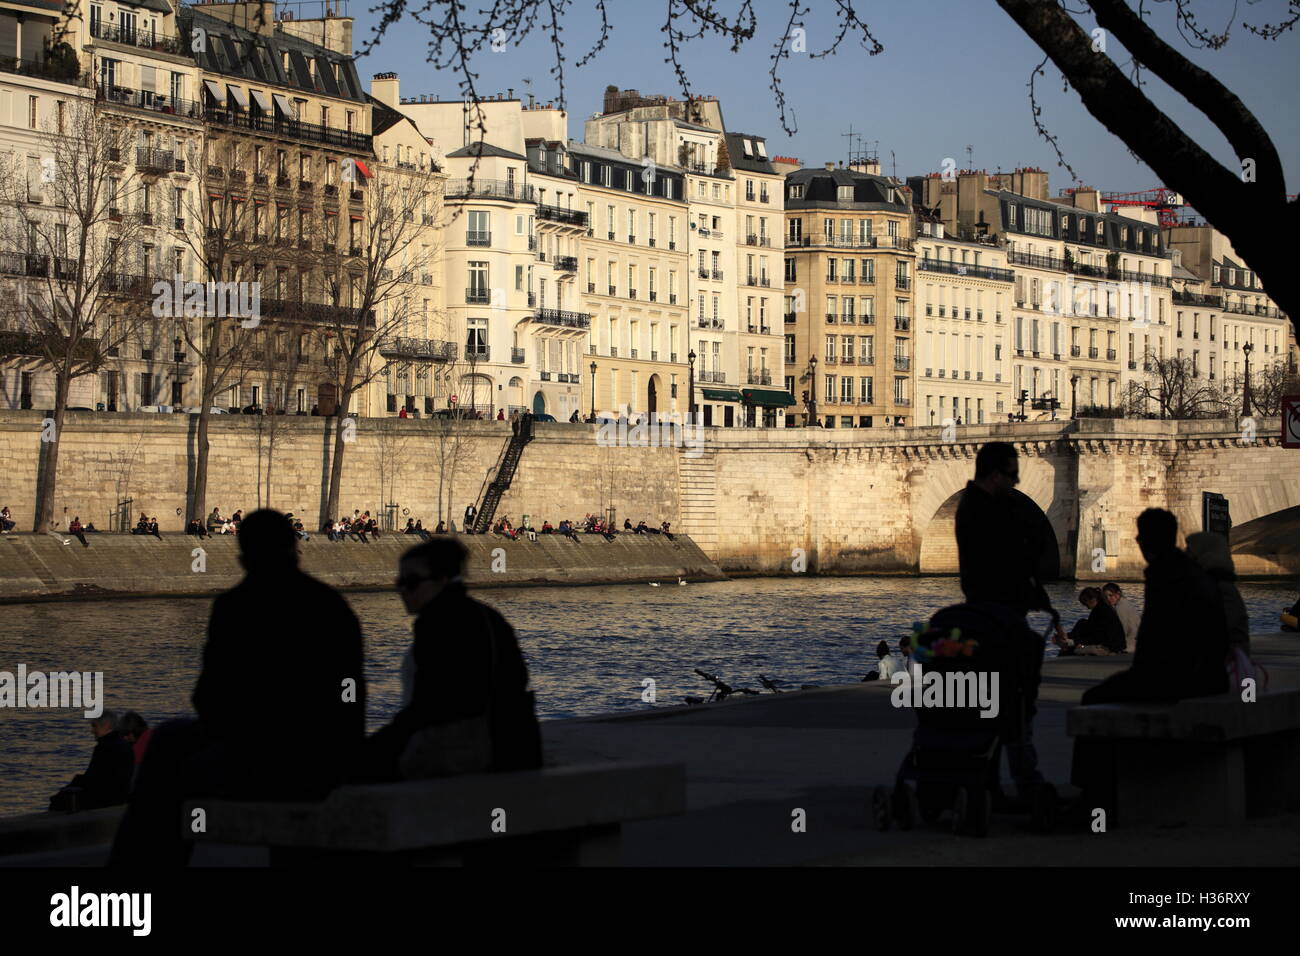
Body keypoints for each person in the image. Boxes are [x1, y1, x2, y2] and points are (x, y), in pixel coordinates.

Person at [109, 510, 366, 866]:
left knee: (168, 743)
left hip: (259, 756)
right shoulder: (331, 606)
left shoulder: (234, 606)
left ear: (244, 557)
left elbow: (208, 697)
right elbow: (350, 693)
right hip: (322, 755)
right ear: (294, 549)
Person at [1069, 509, 1228, 823]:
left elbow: (1157, 642)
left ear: (1146, 541)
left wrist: (1137, 675)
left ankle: (1095, 800)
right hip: (1211, 676)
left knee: (1094, 702)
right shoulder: (1194, 571)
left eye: (1141, 536)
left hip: (1181, 679)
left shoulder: (1163, 573)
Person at [365, 538, 541, 781]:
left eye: (411, 582)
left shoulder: (437, 622)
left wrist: (377, 747)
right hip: (513, 750)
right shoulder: (485, 615)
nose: (402, 591)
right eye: (400, 582)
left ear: (442, 579)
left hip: (471, 755)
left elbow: (431, 705)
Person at [952, 441, 1055, 806]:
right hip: (997, 618)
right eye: (1012, 475)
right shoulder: (987, 512)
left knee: (992, 705)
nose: (1017, 482)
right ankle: (1023, 781)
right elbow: (1015, 557)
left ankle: (989, 781)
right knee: (1013, 702)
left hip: (991, 614)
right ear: (995, 475)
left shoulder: (981, 507)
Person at [50, 712, 135, 812]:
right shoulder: (125, 745)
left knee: (57, 802)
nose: (92, 731)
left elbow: (92, 778)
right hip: (120, 796)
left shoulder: (104, 747)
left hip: (104, 799)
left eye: (94, 726)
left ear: (107, 725)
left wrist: (75, 782)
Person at [1186, 532, 1250, 652]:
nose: (1185, 553)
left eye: (1189, 549)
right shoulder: (1214, 583)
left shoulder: (1220, 586)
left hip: (1220, 661)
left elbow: (1222, 626)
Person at [1056, 587, 1126, 655]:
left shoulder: (1101, 611)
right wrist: (1069, 636)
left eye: (1086, 604)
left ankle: (1067, 644)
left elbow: (1097, 637)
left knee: (1073, 650)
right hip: (1112, 645)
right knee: (1082, 622)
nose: (1087, 607)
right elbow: (1090, 629)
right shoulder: (1101, 608)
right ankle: (1067, 640)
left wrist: (1075, 642)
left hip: (1109, 647)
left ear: (1092, 600)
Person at [1101, 583, 1140, 654]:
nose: (1108, 599)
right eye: (1106, 597)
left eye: (1110, 595)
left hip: (1129, 644)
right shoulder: (1124, 603)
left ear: (1118, 594)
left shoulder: (1120, 607)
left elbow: (1122, 629)